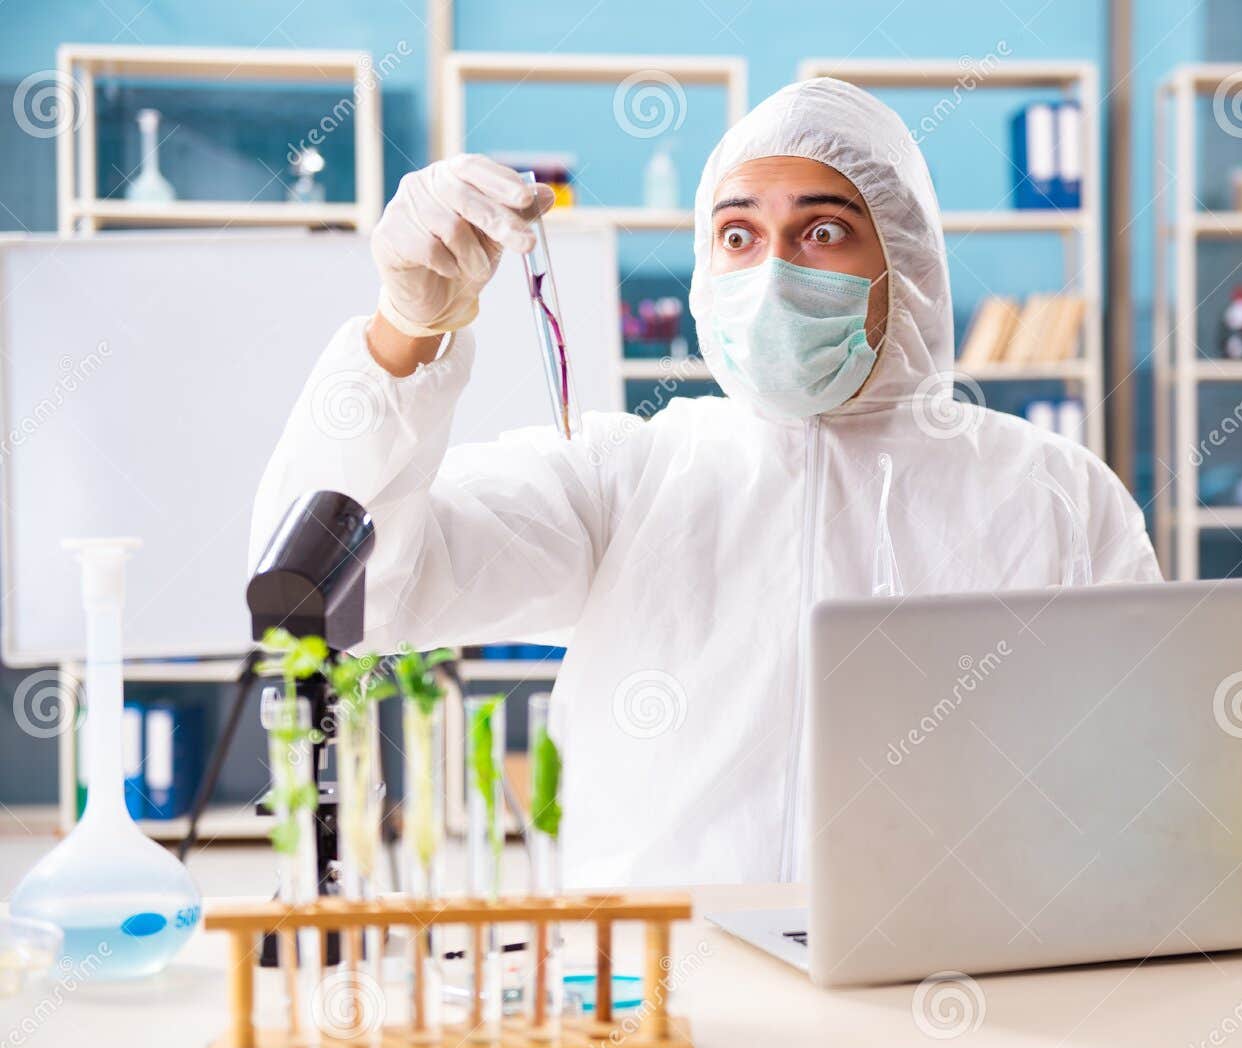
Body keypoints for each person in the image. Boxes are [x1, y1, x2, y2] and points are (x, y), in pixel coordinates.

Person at [251, 78, 1161, 888]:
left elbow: (1146, 784)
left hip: (951, 1007)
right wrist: (401, 335)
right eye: (738, 234)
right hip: (662, 1003)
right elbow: (353, 590)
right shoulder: (626, 477)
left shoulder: (1050, 494)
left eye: (825, 230)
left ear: (909, 264)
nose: (773, 271)